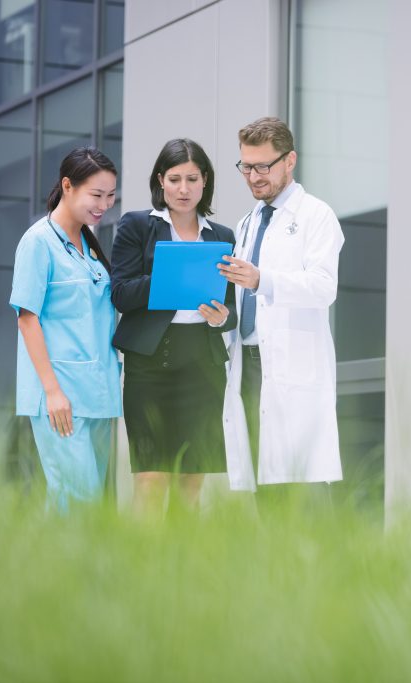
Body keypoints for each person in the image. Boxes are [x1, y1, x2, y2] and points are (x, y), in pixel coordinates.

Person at [219, 117, 345, 501]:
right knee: (266, 491)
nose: (253, 177)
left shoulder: (316, 216)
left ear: (289, 161)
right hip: (250, 367)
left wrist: (263, 280)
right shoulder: (247, 223)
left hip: (293, 369)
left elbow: (324, 287)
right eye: (246, 167)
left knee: (301, 495)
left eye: (263, 166)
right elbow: (244, 299)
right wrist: (224, 318)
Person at [110, 138, 236, 515]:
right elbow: (120, 292)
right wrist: (169, 278)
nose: (184, 189)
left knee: (190, 484)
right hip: (150, 367)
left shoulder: (223, 236)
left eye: (192, 179)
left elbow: (231, 302)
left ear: (205, 182)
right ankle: (142, 571)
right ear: (161, 181)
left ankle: (180, 571)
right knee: (150, 480)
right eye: (175, 179)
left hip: (202, 367)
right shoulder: (136, 226)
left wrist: (223, 316)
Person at [10, 147, 121, 511]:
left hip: (98, 394)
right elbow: (28, 318)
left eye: (110, 195)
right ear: (68, 186)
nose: (104, 205)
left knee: (88, 505)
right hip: (61, 397)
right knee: (77, 500)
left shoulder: (89, 245)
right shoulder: (38, 242)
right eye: (96, 195)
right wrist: (53, 391)